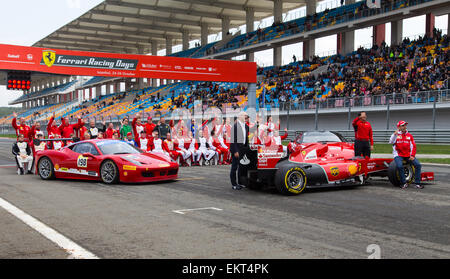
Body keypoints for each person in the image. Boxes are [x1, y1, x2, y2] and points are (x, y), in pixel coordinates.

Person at [389, 120, 423, 189]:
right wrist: (394, 134)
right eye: (402, 125)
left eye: (405, 125)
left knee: (418, 165)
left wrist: (412, 155)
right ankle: (404, 183)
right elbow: (390, 142)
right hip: (398, 155)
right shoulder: (396, 135)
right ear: (399, 127)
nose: (404, 127)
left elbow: (413, 146)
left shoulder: (409, 135)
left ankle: (417, 183)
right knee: (399, 166)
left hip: (408, 155)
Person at [230, 112, 250, 190]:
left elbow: (246, 138)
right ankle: (234, 184)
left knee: (241, 167)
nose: (246, 117)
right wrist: (235, 151)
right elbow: (233, 140)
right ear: (240, 116)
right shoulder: (235, 126)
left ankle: (240, 182)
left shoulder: (246, 126)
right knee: (234, 167)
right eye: (244, 115)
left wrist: (247, 148)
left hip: (243, 149)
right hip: (237, 149)